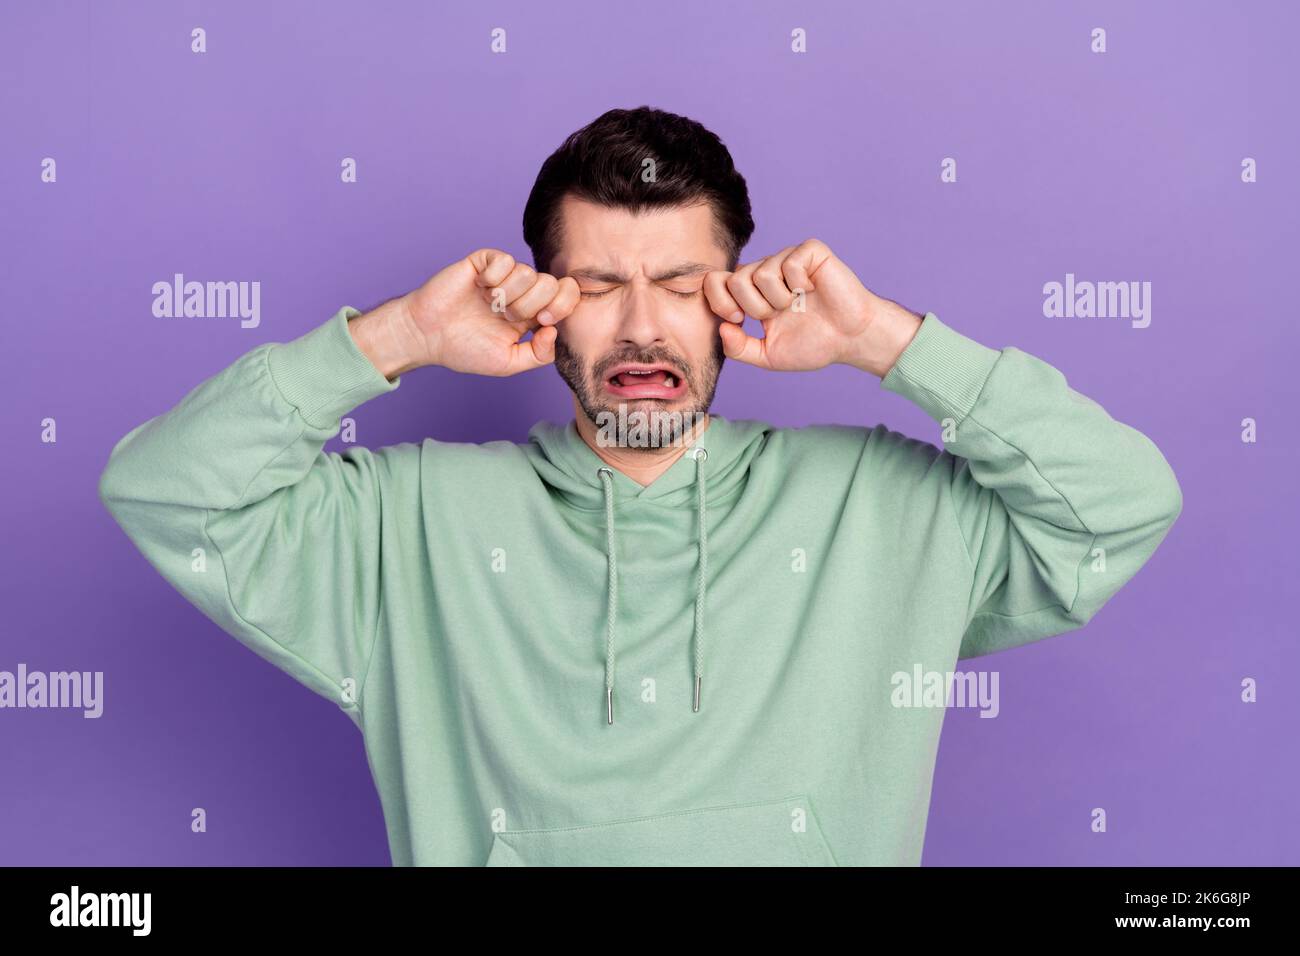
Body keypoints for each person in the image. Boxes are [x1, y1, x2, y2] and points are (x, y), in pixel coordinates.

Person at [98, 106, 1182, 866]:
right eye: (598, 286)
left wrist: (884, 341)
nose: (642, 327)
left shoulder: (879, 504)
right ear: (541, 304)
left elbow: (1119, 505)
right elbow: (167, 492)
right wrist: (401, 335)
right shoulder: (401, 523)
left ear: (731, 298)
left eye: (677, 284)